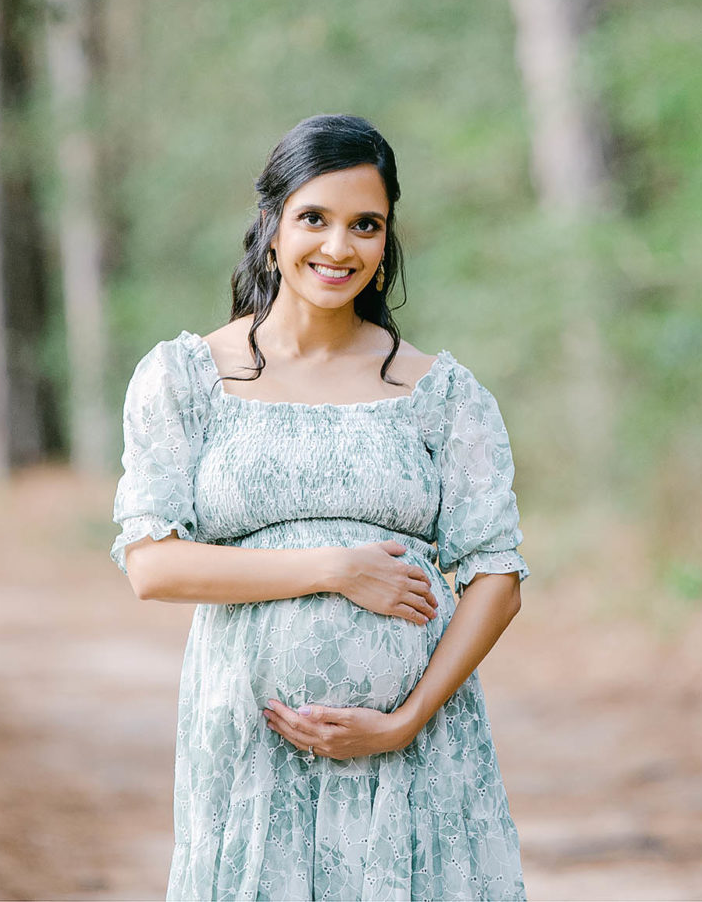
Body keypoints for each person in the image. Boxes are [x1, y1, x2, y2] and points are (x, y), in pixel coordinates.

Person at [111, 113, 529, 900]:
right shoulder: (186, 379)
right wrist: (335, 569)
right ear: (271, 225)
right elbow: (152, 566)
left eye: (365, 226)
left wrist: (403, 720)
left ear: (386, 240)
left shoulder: (442, 394)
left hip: (417, 755)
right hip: (248, 750)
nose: (339, 248)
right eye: (315, 219)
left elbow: (498, 576)